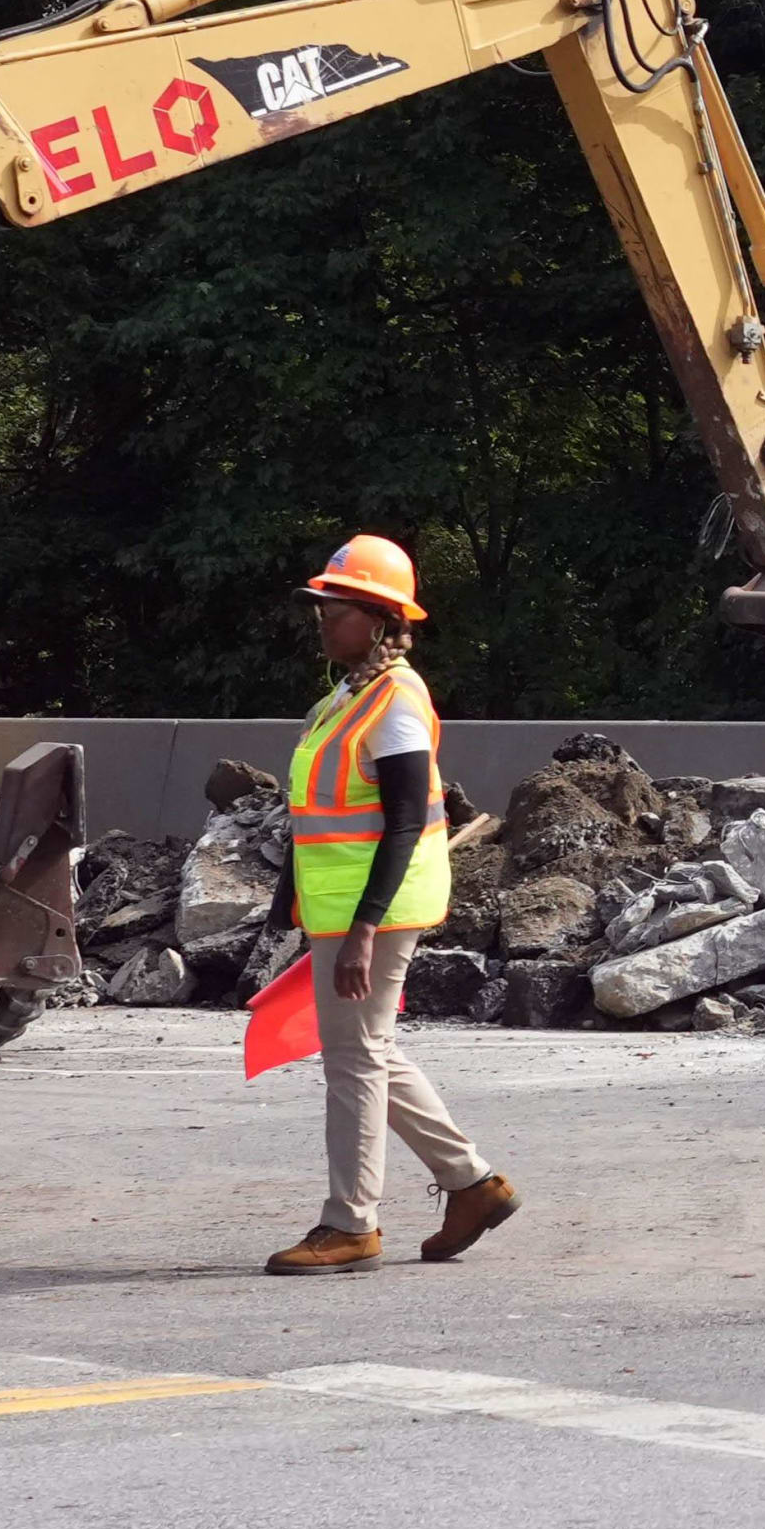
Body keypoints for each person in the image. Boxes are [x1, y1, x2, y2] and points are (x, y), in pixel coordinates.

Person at [262, 535, 521, 1276]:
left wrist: (364, 931)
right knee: (367, 1051)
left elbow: (406, 818)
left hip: (378, 910)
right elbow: (315, 809)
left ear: (377, 619)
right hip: (341, 908)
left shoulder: (397, 702)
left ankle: (351, 1224)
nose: (320, 620)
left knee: (352, 1060)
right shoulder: (344, 696)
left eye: (333, 609)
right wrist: (291, 900)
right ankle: (474, 1184)